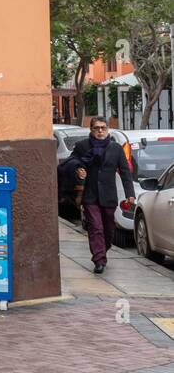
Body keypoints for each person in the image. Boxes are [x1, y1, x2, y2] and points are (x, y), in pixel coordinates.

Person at [71, 117, 135, 274]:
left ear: (108, 130)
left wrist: (130, 194)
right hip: (90, 195)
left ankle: (103, 249)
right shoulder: (82, 146)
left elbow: (125, 172)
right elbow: (71, 162)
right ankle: (99, 260)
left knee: (108, 229)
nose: (100, 131)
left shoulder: (116, 148)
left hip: (108, 195)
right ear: (91, 130)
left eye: (103, 128)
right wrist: (78, 169)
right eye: (96, 128)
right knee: (96, 227)